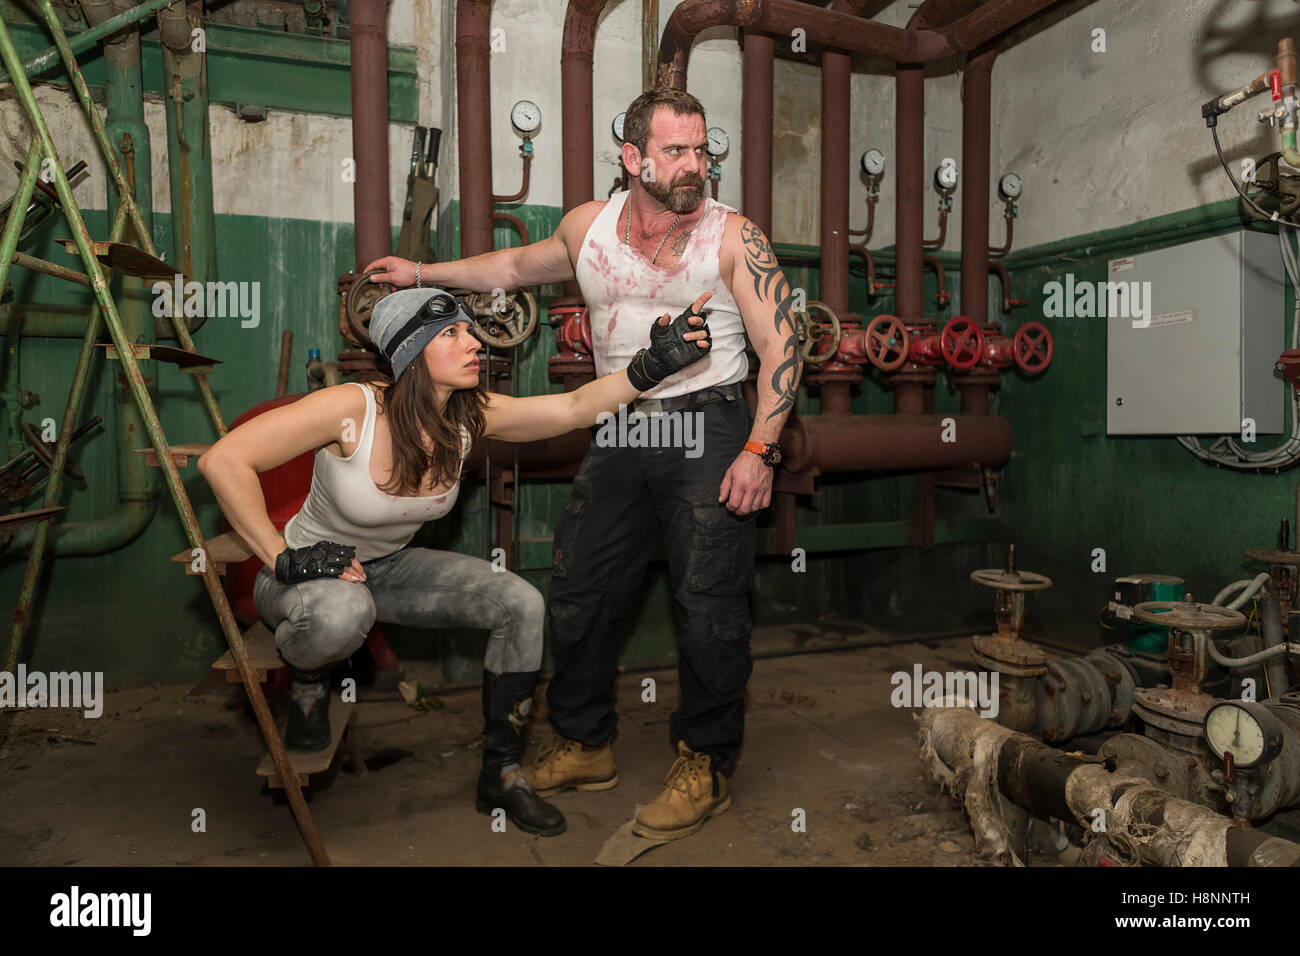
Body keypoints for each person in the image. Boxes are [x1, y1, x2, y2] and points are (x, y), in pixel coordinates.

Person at [363, 87, 802, 842]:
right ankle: (586, 739)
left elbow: (784, 344)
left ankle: (705, 759)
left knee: (708, 603)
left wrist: (762, 448)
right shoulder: (586, 227)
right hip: (621, 421)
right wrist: (422, 275)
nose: (695, 166)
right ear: (633, 158)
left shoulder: (734, 237)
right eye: (676, 152)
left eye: (702, 150)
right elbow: (512, 266)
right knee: (580, 586)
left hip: (711, 424)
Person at [197, 286, 712, 837]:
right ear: (411, 351)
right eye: (452, 333)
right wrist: (284, 558)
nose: (475, 343)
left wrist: (650, 366)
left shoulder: (469, 415)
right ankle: (308, 682)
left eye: (470, 330)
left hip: (389, 568)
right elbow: (222, 459)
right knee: (340, 615)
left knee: (521, 603)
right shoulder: (353, 408)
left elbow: (572, 407)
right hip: (308, 576)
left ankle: (503, 773)